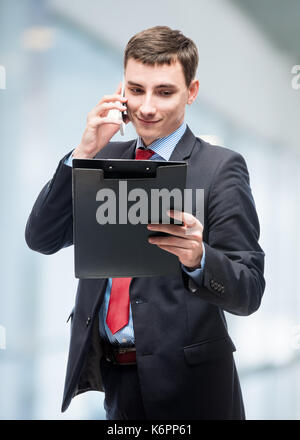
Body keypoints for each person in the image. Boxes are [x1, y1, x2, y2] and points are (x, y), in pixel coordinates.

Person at [25, 26, 265, 420]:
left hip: (193, 388)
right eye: (136, 90)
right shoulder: (101, 157)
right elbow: (42, 237)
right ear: (121, 89)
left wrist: (199, 258)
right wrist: (84, 153)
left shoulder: (220, 169)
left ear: (192, 91)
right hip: (116, 381)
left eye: (165, 92)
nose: (147, 107)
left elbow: (249, 290)